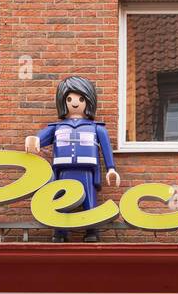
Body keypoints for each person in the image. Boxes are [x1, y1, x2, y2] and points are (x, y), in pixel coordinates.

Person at [25, 76, 119, 242]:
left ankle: (92, 231)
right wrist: (34, 140)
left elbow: (106, 148)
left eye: (80, 98)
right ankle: (60, 231)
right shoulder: (56, 128)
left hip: (86, 171)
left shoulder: (97, 128)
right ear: (63, 102)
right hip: (63, 172)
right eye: (69, 99)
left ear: (88, 101)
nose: (75, 103)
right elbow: (40, 139)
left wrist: (111, 168)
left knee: (90, 200)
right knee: (61, 200)